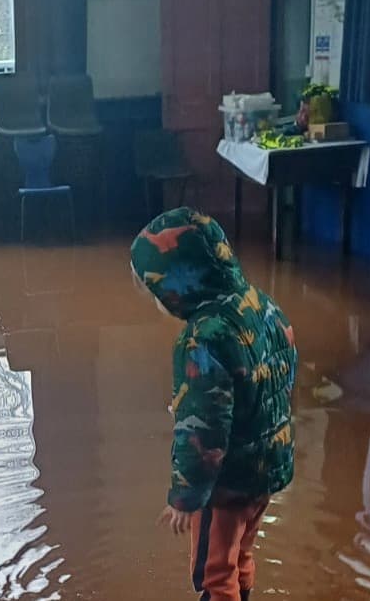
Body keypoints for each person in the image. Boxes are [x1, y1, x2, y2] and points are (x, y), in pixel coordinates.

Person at [130, 207, 296, 601]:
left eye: (156, 291)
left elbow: (203, 429)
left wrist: (185, 497)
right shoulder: (261, 305)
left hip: (227, 482)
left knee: (213, 572)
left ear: (179, 285)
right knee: (240, 553)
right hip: (268, 468)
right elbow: (280, 375)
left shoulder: (201, 339)